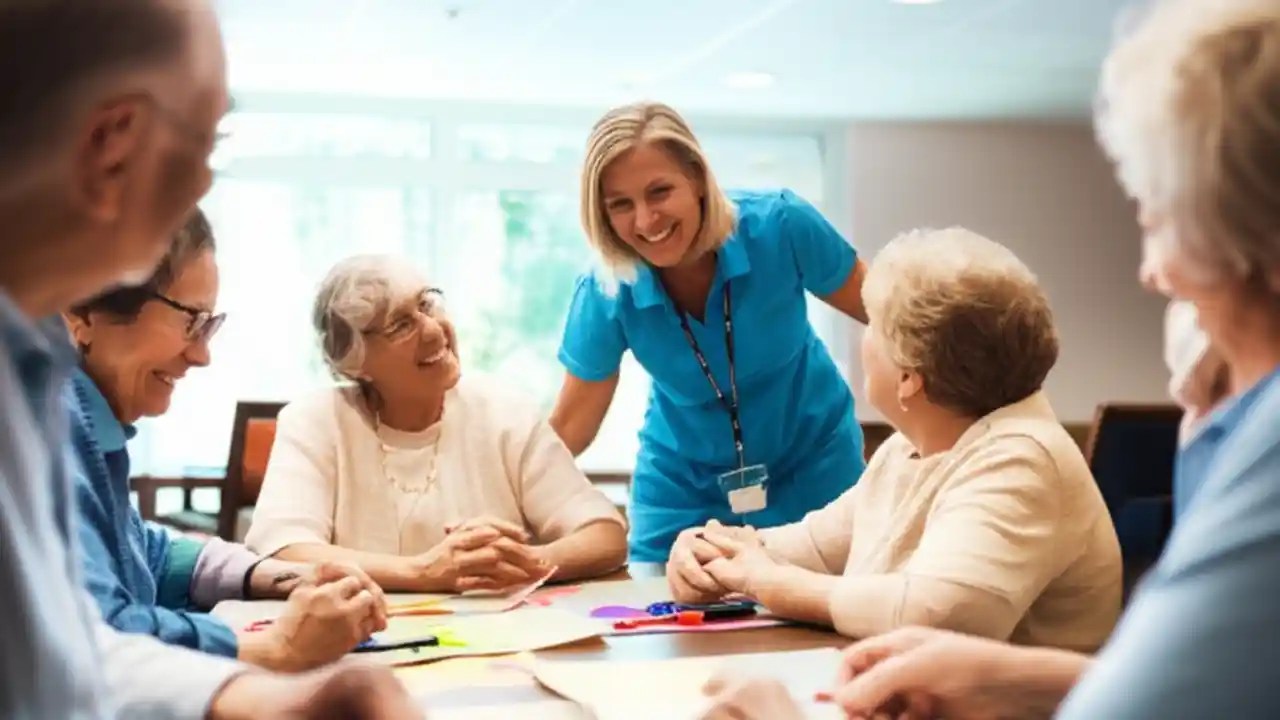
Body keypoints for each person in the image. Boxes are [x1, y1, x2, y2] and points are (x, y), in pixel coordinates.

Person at [701, 0, 1280, 717]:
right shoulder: (906, 458)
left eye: (1157, 219)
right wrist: (722, 551)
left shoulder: (1247, 443)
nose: (1152, 274)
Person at [0, 0, 419, 717]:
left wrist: (257, 697)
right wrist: (262, 661)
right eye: (207, 140)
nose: (201, 185)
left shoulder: (30, 359)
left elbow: (58, 644)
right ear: (116, 141)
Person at [669, 228, 1121, 649]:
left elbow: (939, 615)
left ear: (909, 377)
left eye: (874, 328)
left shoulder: (1024, 458)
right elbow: (813, 547)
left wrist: (768, 584)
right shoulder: (908, 451)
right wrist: (708, 552)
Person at [65, 209, 389, 671]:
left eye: (209, 325)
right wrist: (274, 647)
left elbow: (135, 553)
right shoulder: (42, 431)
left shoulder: (87, 423)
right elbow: (96, 638)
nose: (202, 355)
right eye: (190, 322)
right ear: (82, 309)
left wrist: (273, 576)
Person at [551, 101, 869, 561]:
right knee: (658, 618)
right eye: (621, 204)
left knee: (825, 615)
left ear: (698, 179)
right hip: (683, 487)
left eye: (659, 192)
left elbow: (896, 317)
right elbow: (570, 428)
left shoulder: (780, 226)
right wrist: (502, 506)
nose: (645, 221)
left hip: (814, 465)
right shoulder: (606, 288)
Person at [245, 254, 628, 592]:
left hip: (496, 646)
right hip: (361, 645)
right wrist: (422, 572)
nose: (432, 330)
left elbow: (604, 533)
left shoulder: (504, 413)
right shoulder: (315, 421)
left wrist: (529, 563)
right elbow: (283, 551)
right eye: (399, 325)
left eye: (428, 305)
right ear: (354, 361)